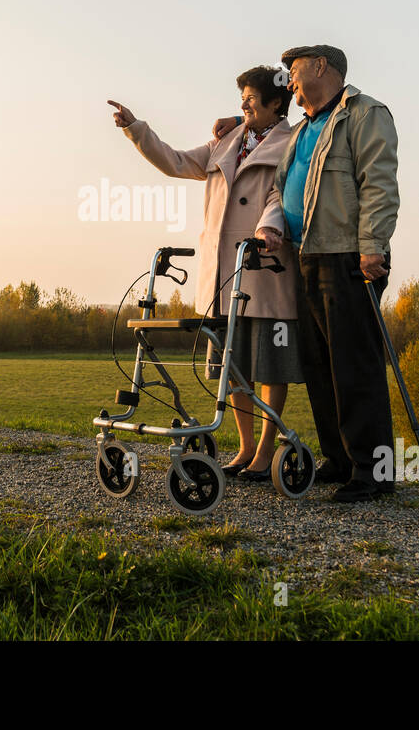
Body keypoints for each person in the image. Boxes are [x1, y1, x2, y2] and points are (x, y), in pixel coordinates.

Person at [213, 44, 399, 502]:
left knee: (355, 364)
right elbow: (278, 179)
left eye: (293, 71)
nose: (289, 80)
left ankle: (373, 473)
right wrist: (238, 124)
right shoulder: (304, 129)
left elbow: (378, 180)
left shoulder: (363, 114)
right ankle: (340, 460)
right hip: (306, 257)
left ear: (321, 67)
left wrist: (372, 246)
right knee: (321, 366)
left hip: (350, 256)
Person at [108, 66, 303, 480]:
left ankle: (267, 450)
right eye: (243, 97)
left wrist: (269, 228)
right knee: (233, 369)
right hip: (222, 277)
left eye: (251, 98)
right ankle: (246, 447)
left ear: (275, 104)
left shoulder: (292, 144)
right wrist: (136, 128)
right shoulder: (225, 143)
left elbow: (280, 196)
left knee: (267, 365)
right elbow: (176, 161)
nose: (243, 104)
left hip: (264, 269)